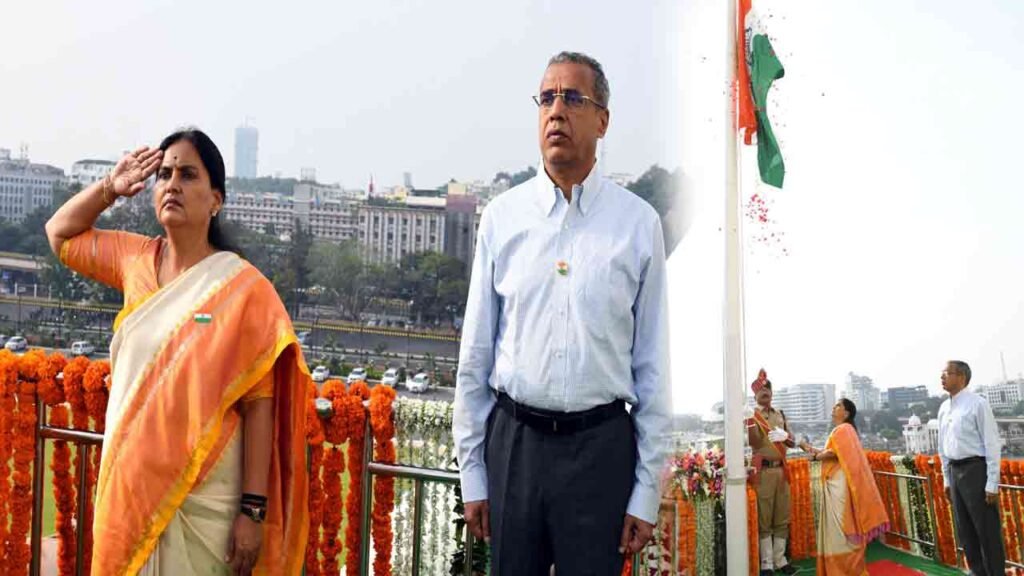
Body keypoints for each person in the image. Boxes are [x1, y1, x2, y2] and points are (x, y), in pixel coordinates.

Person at [44, 129, 309, 575]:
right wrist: (111, 186)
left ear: (216, 200)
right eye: (164, 175)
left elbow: (260, 406)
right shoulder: (134, 259)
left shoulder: (243, 290)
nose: (172, 185)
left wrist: (253, 511)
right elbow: (60, 234)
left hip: (207, 502)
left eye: (188, 175)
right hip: (131, 490)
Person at [451, 51, 672, 576]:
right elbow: (475, 356)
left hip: (600, 451)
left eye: (573, 98)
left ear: (602, 120)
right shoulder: (502, 219)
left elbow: (653, 367)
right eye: (546, 98)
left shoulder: (637, 225)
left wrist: (645, 492)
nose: (556, 111)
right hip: (515, 447)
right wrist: (474, 476)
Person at [800, 399, 888, 575]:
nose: (833, 408)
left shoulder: (844, 429)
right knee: (836, 531)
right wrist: (808, 448)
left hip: (840, 487)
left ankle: (846, 570)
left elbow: (832, 454)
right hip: (836, 484)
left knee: (842, 530)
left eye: (838, 406)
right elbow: (830, 453)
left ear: (846, 413)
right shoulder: (842, 431)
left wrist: (815, 457)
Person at [937, 360, 1005, 576]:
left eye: (947, 373)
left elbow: (991, 443)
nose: (942, 377)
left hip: (976, 470)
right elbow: (943, 447)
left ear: (962, 377)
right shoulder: (943, 408)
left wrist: (992, 483)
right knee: (965, 530)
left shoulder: (977, 404)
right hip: (955, 472)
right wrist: (947, 479)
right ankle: (977, 572)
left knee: (986, 530)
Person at [746, 369, 798, 576]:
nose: (765, 392)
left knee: (782, 516)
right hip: (764, 471)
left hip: (781, 469)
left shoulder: (780, 414)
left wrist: (785, 435)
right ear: (755, 394)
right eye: (761, 390)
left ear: (772, 392)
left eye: (767, 389)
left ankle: (781, 560)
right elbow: (754, 442)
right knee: (765, 517)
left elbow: (792, 442)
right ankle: (766, 563)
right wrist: (750, 422)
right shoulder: (753, 415)